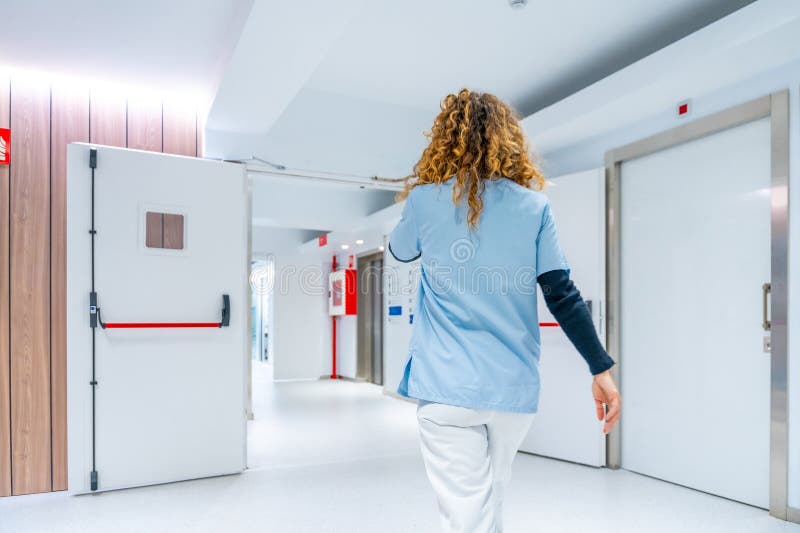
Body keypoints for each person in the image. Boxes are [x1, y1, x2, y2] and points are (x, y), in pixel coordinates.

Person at [388, 89, 621, 533]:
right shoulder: (533, 206)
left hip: (446, 388)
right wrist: (600, 368)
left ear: (444, 139)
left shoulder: (425, 200)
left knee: (465, 516)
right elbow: (561, 292)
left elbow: (400, 252)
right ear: (507, 139)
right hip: (513, 393)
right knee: (489, 504)